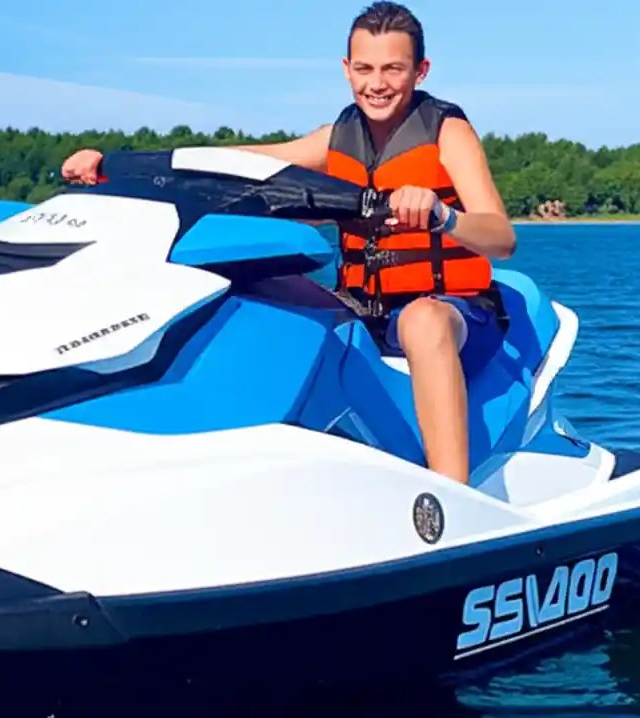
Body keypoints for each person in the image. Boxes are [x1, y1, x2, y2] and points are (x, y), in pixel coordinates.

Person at [60, 1, 516, 485]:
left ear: (420, 71)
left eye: (393, 69)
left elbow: (501, 238)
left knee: (423, 321)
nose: (376, 83)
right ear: (346, 69)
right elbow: (239, 161)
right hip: (364, 307)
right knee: (247, 284)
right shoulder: (335, 137)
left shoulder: (448, 132)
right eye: (363, 68)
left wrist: (442, 216)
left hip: (453, 310)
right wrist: (114, 165)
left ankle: (452, 495)